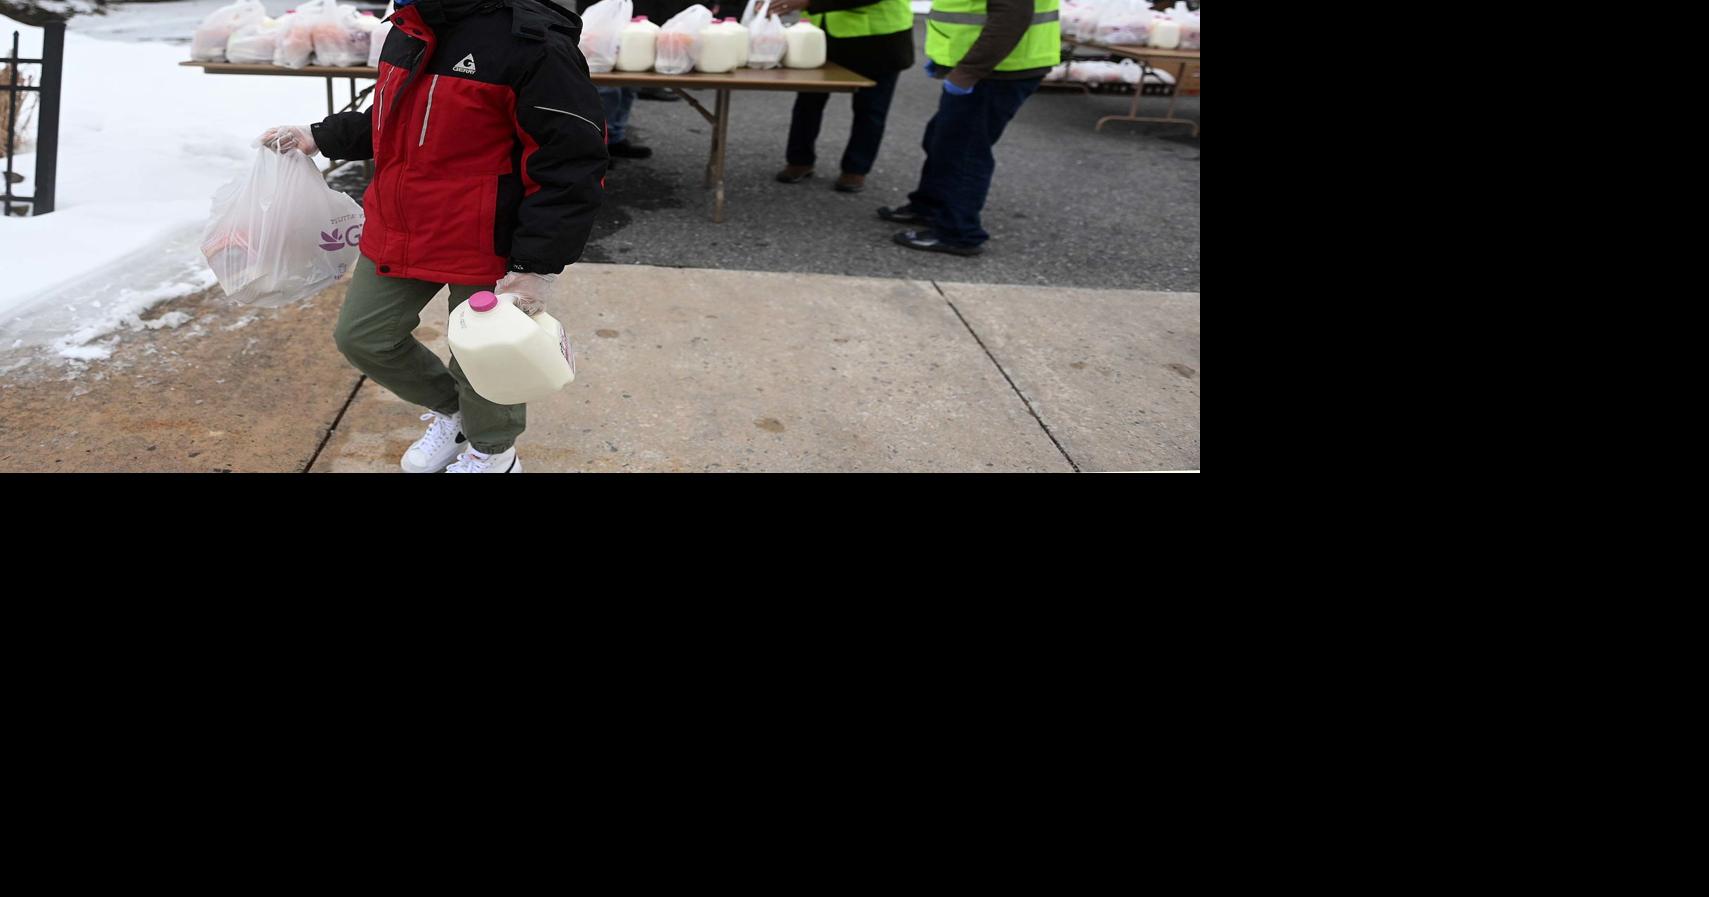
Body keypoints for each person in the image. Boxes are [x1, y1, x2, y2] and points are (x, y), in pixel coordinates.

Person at [260, 0, 608, 473]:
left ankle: (494, 452)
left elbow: (570, 163)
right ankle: (459, 415)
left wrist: (535, 266)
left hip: (486, 238)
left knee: (484, 357)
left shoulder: (534, 43)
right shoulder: (408, 24)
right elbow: (396, 117)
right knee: (364, 337)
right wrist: (321, 135)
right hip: (401, 224)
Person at [879, 0, 1057, 255]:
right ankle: (930, 206)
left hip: (995, 71)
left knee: (963, 151)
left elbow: (1011, 17)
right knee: (941, 138)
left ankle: (958, 232)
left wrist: (969, 70)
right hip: (991, 67)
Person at [768, 0, 914, 194]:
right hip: (819, 34)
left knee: (871, 110)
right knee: (808, 101)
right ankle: (799, 160)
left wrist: (809, 2)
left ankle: (856, 169)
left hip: (878, 39)